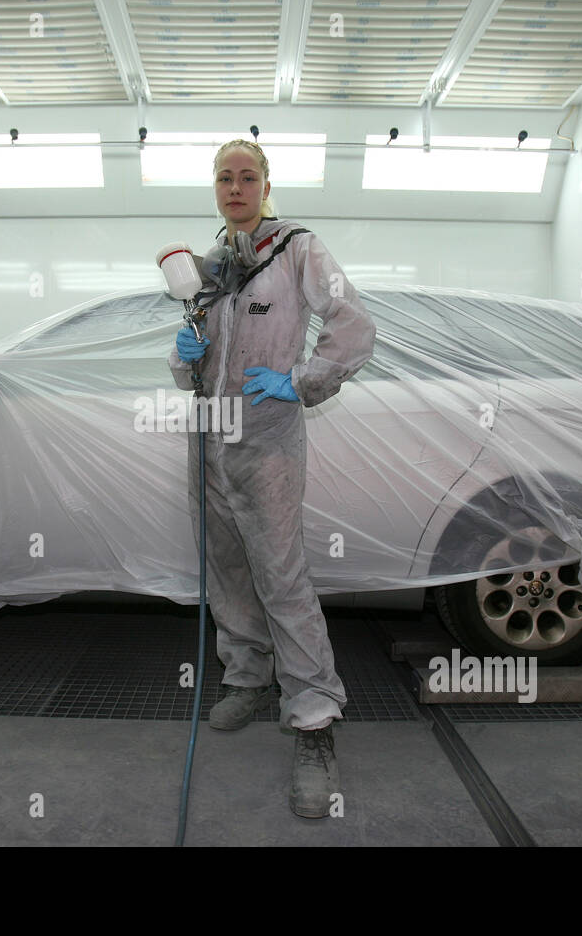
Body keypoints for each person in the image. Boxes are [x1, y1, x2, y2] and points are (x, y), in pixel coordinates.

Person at [167, 140, 376, 818]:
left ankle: (314, 720)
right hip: (211, 445)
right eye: (224, 177)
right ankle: (249, 675)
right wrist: (183, 353)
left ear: (265, 185)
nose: (235, 186)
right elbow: (193, 365)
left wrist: (300, 380)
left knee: (283, 579)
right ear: (215, 187)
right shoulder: (214, 265)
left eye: (247, 176)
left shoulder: (297, 251)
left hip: (268, 446)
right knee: (228, 572)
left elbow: (354, 325)